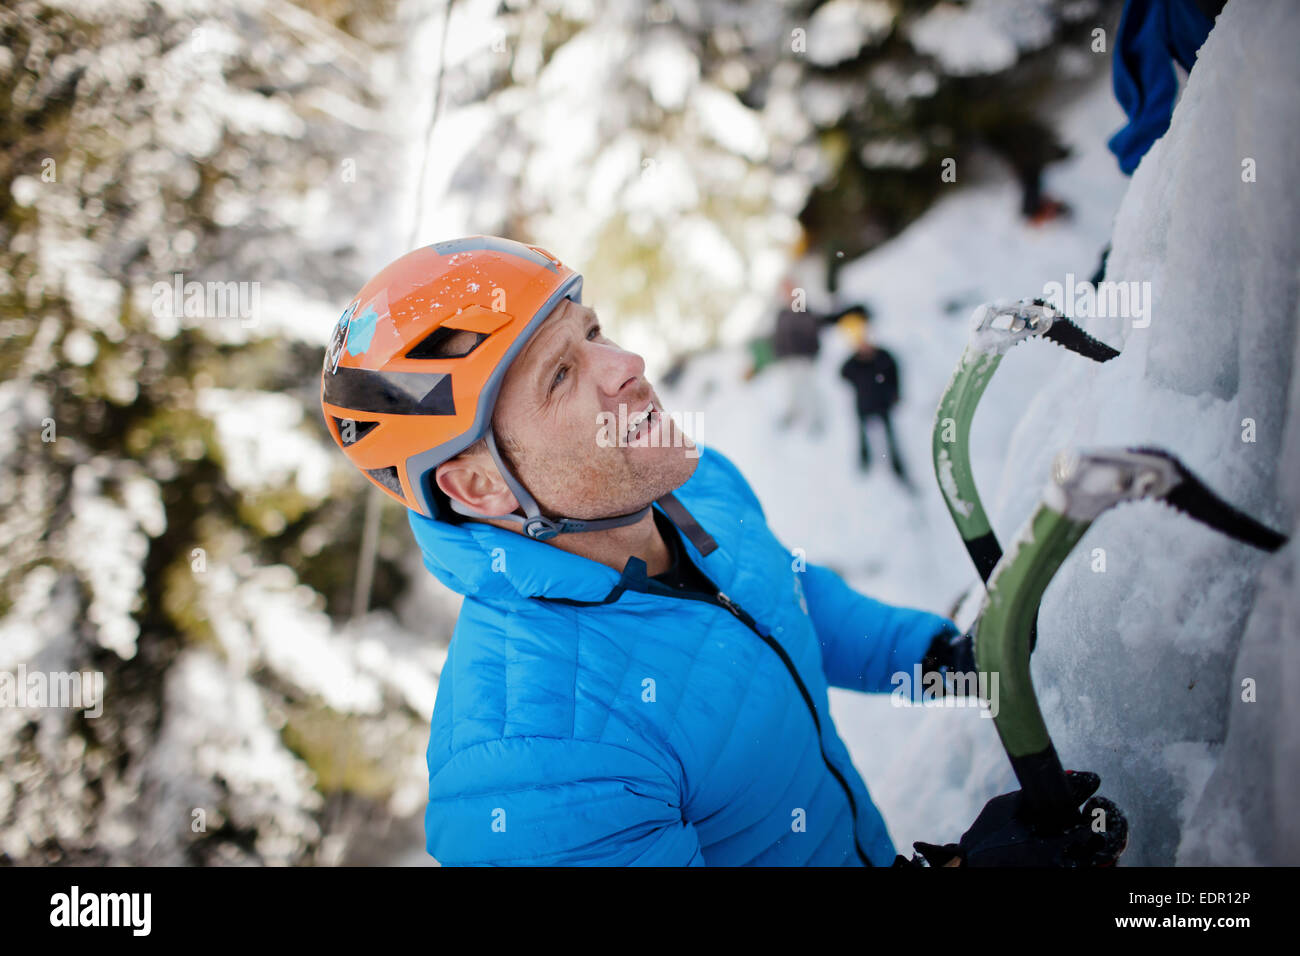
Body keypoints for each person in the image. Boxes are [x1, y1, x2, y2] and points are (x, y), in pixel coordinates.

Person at [320, 236, 1102, 866]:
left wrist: (935, 657)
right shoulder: (530, 769)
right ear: (479, 487)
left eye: (591, 332)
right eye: (562, 376)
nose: (627, 366)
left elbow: (782, 591)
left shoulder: (684, 485)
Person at [837, 308, 908, 484]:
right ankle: (864, 461)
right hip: (863, 406)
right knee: (862, 436)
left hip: (883, 404)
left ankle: (897, 465)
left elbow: (895, 376)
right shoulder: (852, 364)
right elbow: (842, 374)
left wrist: (895, 395)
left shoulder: (884, 357)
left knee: (890, 436)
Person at [770, 280, 827, 433]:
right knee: (792, 390)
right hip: (788, 360)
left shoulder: (802, 309)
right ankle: (793, 413)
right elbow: (778, 337)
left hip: (803, 357)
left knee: (809, 390)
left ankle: (816, 420)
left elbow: (811, 328)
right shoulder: (782, 314)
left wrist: (811, 352)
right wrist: (779, 353)